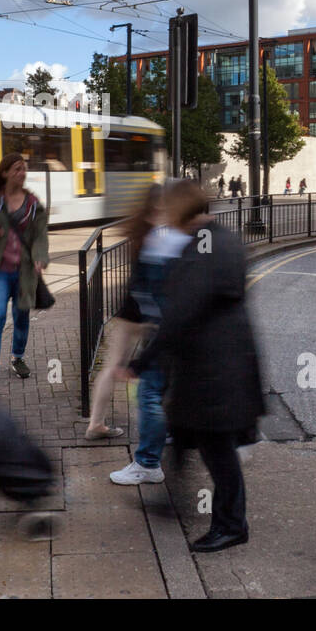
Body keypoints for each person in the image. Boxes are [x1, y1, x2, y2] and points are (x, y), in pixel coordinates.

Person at [122, 180, 265, 552]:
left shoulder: (203, 244)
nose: (164, 215)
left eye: (169, 208)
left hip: (214, 369)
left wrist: (143, 360)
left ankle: (232, 525)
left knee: (218, 453)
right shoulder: (220, 237)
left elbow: (182, 311)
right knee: (185, 435)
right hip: (217, 362)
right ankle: (171, 503)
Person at [108, 184, 191, 485]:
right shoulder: (182, 238)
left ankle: (147, 463)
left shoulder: (160, 242)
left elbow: (150, 293)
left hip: (162, 331)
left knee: (150, 394)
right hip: (171, 330)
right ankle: (167, 441)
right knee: (166, 390)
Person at [84, 185, 163, 441]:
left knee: (112, 367)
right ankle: (159, 425)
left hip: (129, 307)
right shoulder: (158, 231)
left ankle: (96, 423)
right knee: (156, 367)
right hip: (147, 311)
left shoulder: (140, 227)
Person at [0, 153, 49, 396]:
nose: (22, 173)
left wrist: (40, 256)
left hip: (24, 273)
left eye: (24, 169)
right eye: (17, 169)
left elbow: (40, 235)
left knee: (21, 318)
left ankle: (17, 356)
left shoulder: (33, 203)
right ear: (6, 173)